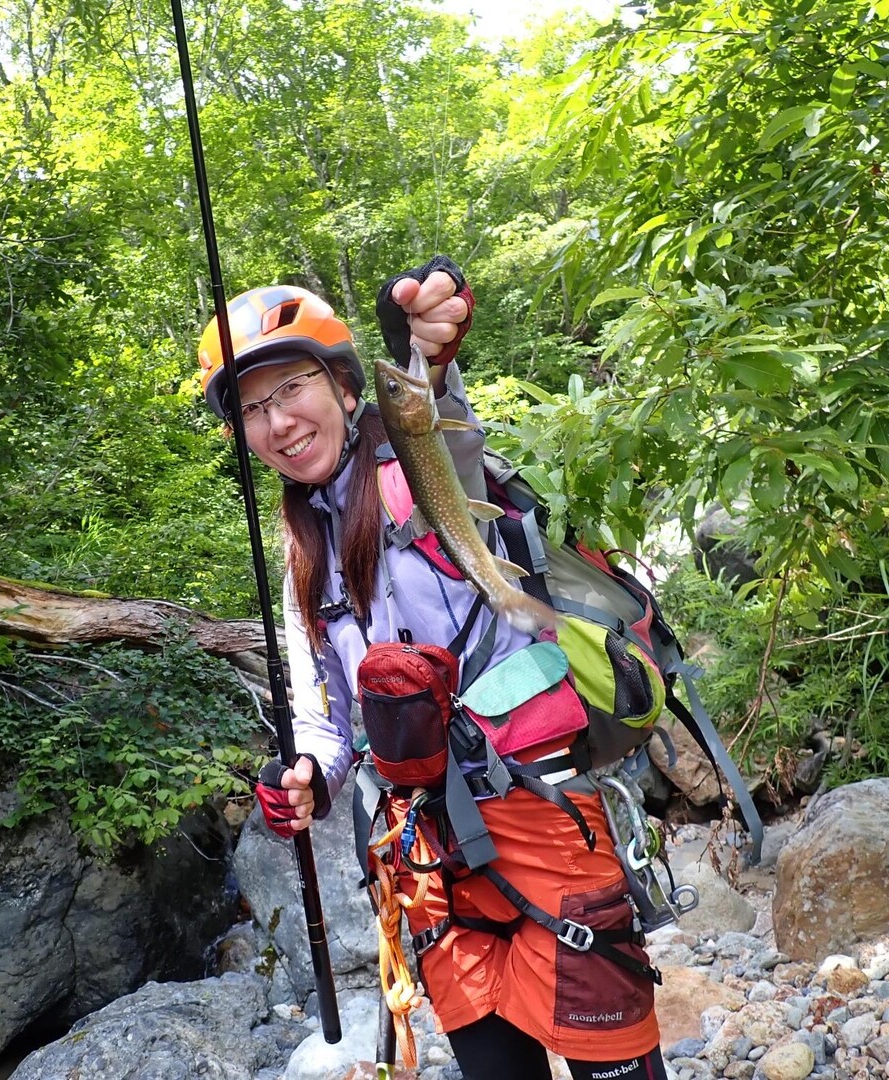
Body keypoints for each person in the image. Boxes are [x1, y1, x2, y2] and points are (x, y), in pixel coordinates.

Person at [198, 257, 666, 1080]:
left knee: (613, 1062)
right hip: (426, 851)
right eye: (251, 409)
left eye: (291, 389)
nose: (277, 422)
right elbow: (327, 720)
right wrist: (306, 772)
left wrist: (427, 343)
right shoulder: (300, 563)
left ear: (346, 389)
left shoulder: (418, 471)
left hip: (539, 809)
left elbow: (442, 413)